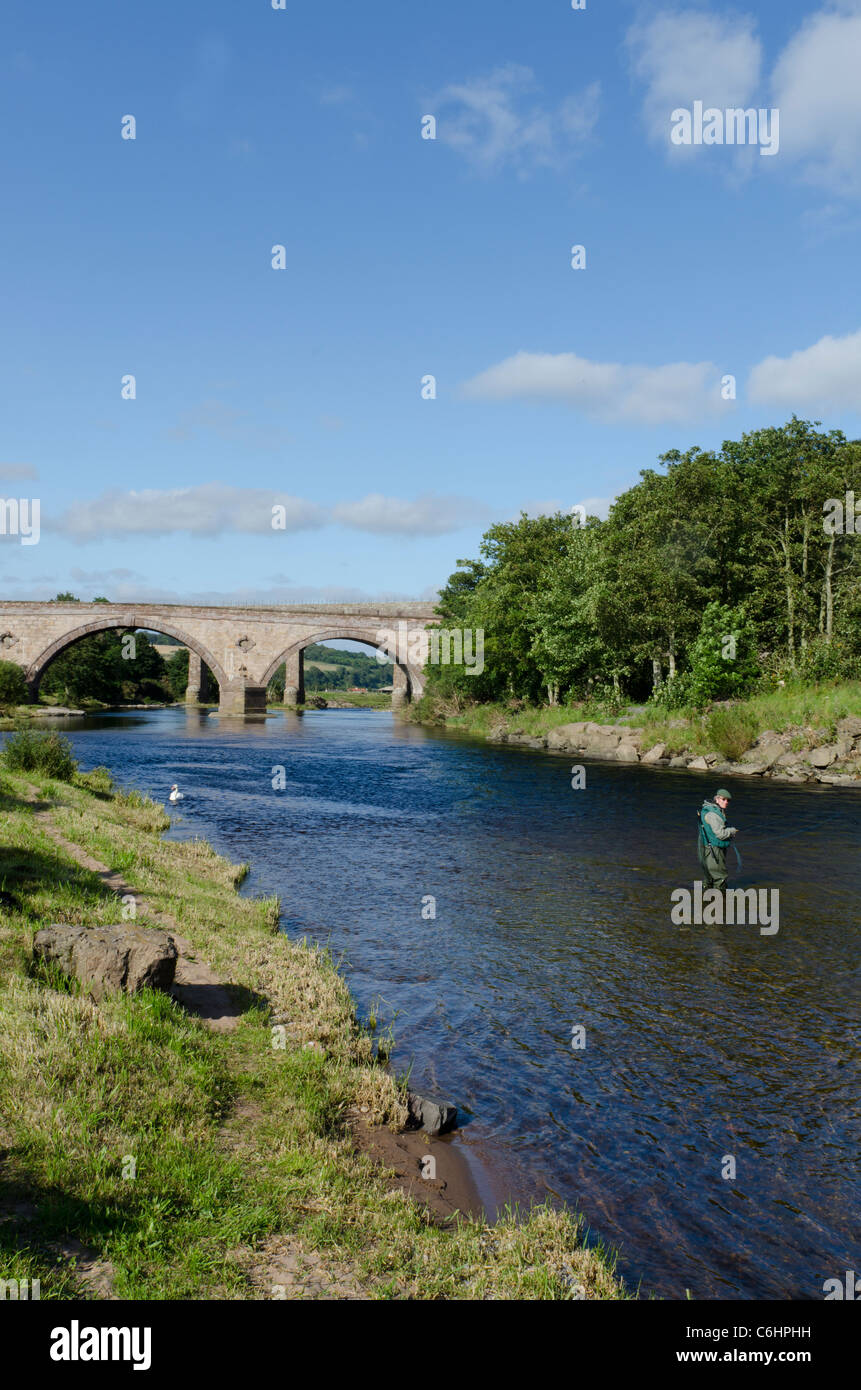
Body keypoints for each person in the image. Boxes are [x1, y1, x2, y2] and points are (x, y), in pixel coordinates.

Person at [697, 788, 738, 889]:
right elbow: (720, 834)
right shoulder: (713, 814)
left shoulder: (712, 809)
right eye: (724, 799)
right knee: (720, 878)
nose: (726, 802)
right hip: (714, 849)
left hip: (707, 846)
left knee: (709, 877)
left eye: (728, 800)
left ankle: (706, 901)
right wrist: (732, 831)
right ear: (717, 799)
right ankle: (721, 901)